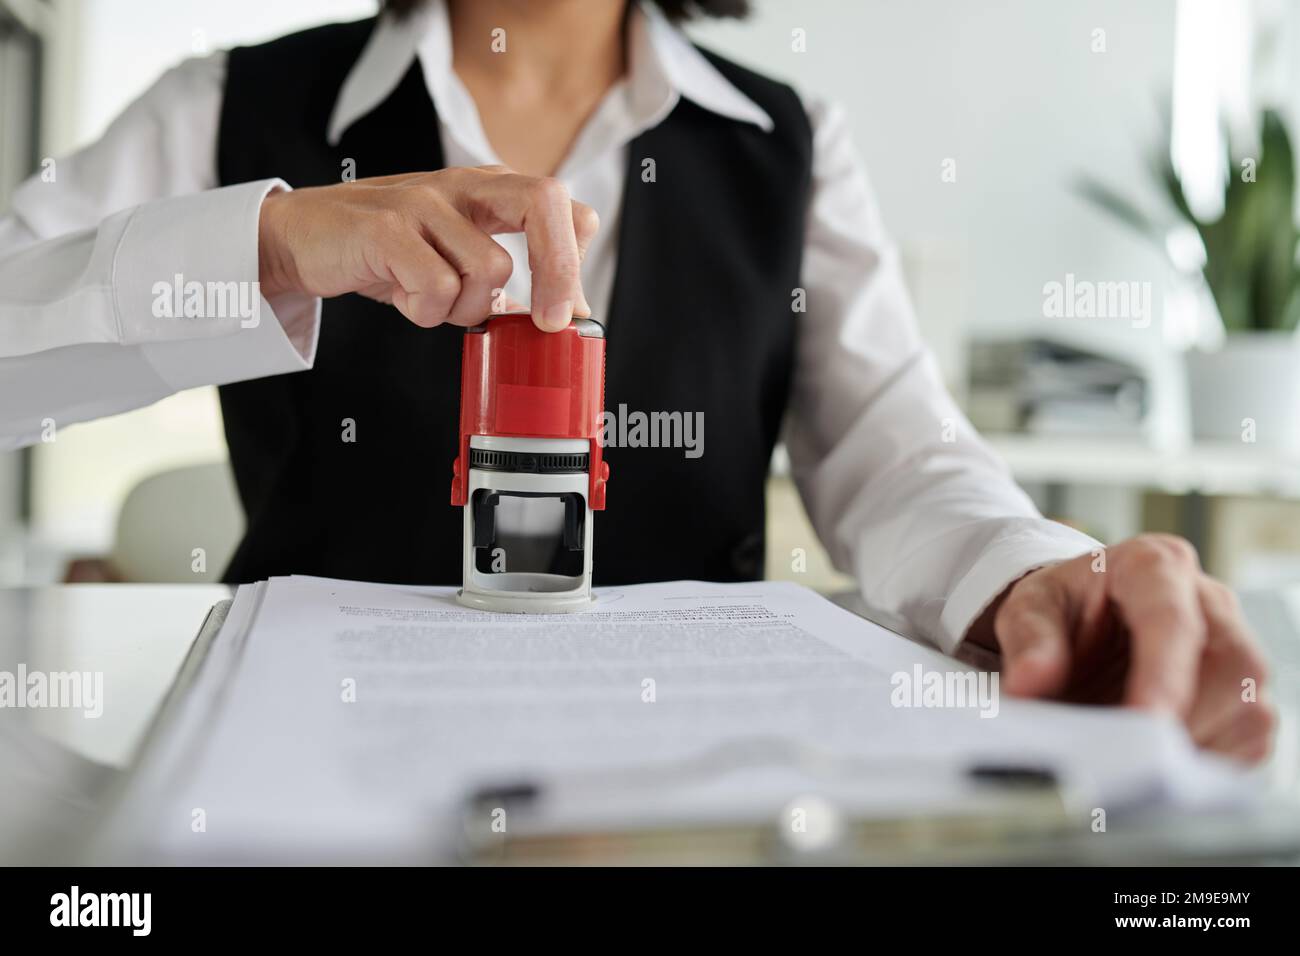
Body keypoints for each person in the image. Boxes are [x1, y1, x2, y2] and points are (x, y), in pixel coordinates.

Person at [0, 0, 1273, 761]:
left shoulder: (788, 145)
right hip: (304, 765)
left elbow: (898, 453)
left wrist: (1026, 569)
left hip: (692, 781)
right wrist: (266, 243)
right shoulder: (229, 102)